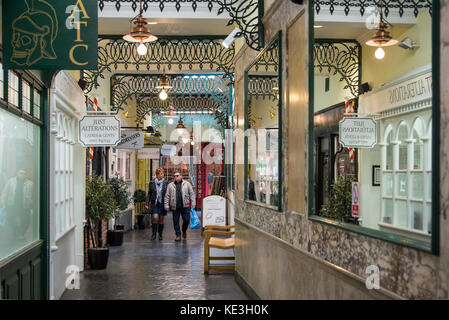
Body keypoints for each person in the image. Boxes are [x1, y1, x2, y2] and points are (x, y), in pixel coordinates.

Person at [164, 171, 196, 241]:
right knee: (175, 221)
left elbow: (192, 194)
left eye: (177, 175)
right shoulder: (170, 185)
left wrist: (193, 203)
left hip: (185, 205)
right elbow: (167, 196)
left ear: (181, 176)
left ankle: (184, 231)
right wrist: (166, 205)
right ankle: (178, 235)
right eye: (174, 176)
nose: (175, 177)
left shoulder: (187, 184)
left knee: (186, 220)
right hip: (175, 206)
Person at [146, 168, 168, 240]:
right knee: (155, 218)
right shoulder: (152, 182)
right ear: (157, 174)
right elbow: (149, 193)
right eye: (161, 173)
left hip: (162, 203)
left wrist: (167, 203)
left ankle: (160, 234)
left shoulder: (165, 182)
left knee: (161, 220)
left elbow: (167, 194)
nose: (163, 175)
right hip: (154, 202)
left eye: (163, 173)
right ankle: (154, 234)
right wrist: (147, 203)